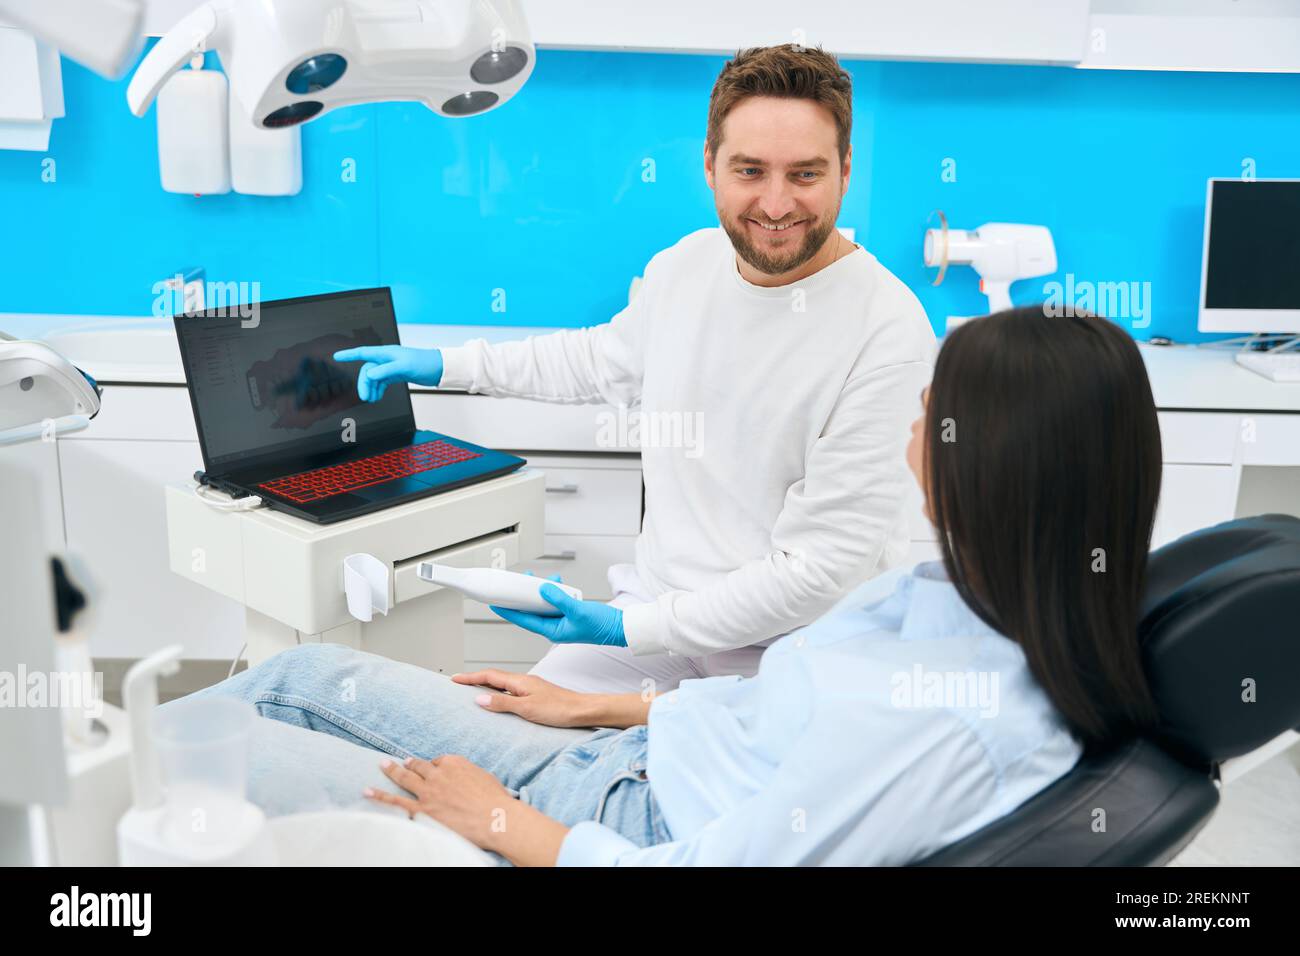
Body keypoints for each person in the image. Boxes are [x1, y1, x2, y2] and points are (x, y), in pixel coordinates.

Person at [183, 306, 1163, 866]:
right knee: (304, 669)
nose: (912, 429)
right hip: (639, 752)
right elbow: (791, 703)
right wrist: (613, 701)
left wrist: (502, 821)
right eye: (747, 170)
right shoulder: (970, 589)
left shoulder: (956, 720)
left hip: (617, 823)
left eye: (929, 413)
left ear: (991, 459)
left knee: (193, 761)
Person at [333, 44, 936, 694]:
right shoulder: (685, 266)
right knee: (499, 738)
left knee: (641, 788)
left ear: (845, 170)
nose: (776, 202)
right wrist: (444, 364)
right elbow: (600, 361)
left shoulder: (887, 332)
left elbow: (816, 574)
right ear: (710, 165)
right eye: (750, 169)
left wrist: (630, 630)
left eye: (805, 174)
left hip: (789, 657)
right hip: (655, 620)